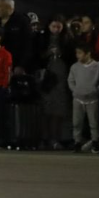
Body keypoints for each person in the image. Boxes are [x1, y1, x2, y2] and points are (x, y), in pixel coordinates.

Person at [37, 16, 74, 150]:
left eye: (59, 27)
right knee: (45, 108)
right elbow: (37, 56)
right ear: (48, 26)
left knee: (58, 110)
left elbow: (71, 57)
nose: (56, 30)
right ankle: (44, 138)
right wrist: (47, 53)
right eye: (54, 26)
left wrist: (61, 53)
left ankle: (56, 138)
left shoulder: (68, 40)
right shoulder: (42, 38)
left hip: (61, 76)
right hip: (46, 76)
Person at [69, 44, 99, 153]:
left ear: (88, 54)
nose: (77, 55)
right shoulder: (74, 67)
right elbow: (70, 80)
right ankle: (77, 142)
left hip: (92, 99)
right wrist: (75, 90)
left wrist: (95, 91)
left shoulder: (97, 67)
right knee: (77, 122)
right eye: (77, 53)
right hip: (78, 98)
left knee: (93, 122)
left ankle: (95, 142)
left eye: (80, 53)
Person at [0, 0, 33, 74]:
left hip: (14, 65)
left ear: (9, 7)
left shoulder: (22, 21)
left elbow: (28, 44)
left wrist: (21, 65)